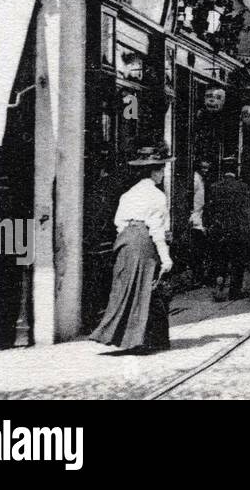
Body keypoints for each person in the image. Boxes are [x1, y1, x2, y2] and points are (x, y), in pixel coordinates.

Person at [89, 143, 173, 352]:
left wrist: (127, 240)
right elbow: (156, 229)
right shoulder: (157, 196)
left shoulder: (128, 194)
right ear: (154, 172)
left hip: (125, 242)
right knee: (145, 290)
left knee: (124, 290)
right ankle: (140, 340)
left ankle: (120, 336)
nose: (162, 174)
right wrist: (166, 257)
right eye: (161, 169)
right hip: (144, 242)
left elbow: (119, 222)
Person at [206, 158, 250, 301]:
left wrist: (209, 227)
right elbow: (248, 212)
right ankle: (234, 291)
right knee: (237, 262)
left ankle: (219, 285)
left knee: (220, 260)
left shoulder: (214, 187)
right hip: (237, 231)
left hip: (219, 230)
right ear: (236, 170)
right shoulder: (243, 187)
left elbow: (209, 209)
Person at [186, 158, 211, 286]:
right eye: (203, 168)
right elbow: (190, 197)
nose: (206, 171)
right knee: (197, 250)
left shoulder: (201, 179)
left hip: (200, 217)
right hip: (195, 218)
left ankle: (199, 276)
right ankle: (197, 277)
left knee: (200, 249)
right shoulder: (195, 180)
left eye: (207, 168)